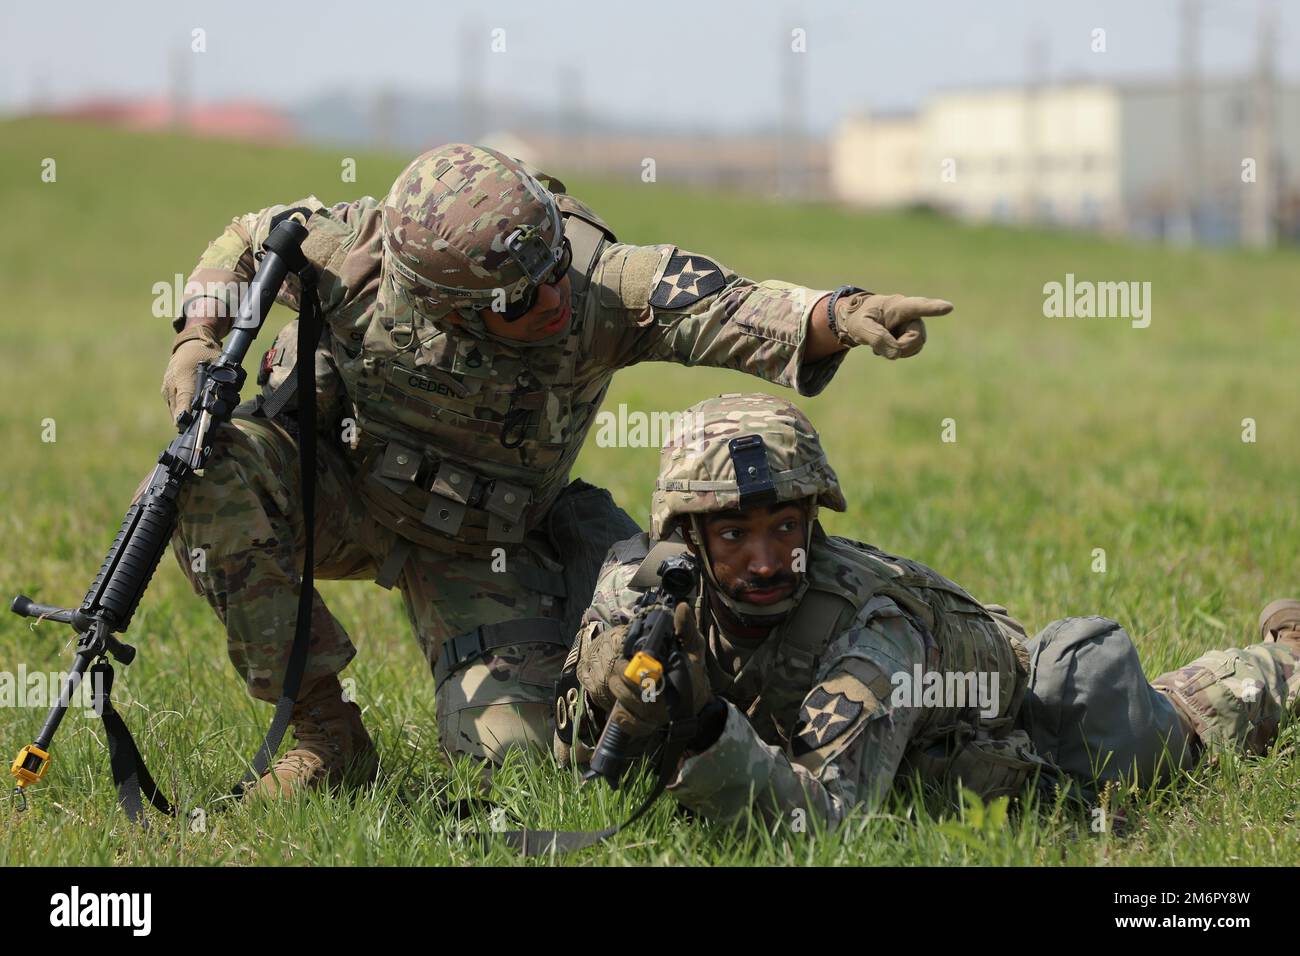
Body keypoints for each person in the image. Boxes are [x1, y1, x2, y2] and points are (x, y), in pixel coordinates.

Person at [158, 144, 955, 797]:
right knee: (201, 467)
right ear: (443, 303)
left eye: (550, 269)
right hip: (333, 488)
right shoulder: (358, 259)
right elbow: (246, 239)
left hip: (482, 544)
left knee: (520, 763)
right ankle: (327, 737)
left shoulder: (596, 287)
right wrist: (197, 339)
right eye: (517, 298)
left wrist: (839, 316)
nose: (550, 297)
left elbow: (720, 306)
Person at [558, 392, 1300, 827]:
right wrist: (601, 685)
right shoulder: (640, 591)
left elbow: (828, 822)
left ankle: (1282, 659)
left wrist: (706, 734)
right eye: (733, 534)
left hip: (1016, 710)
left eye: (786, 528)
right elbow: (574, 759)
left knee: (1126, 714)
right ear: (681, 533)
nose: (766, 560)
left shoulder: (868, 629)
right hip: (873, 739)